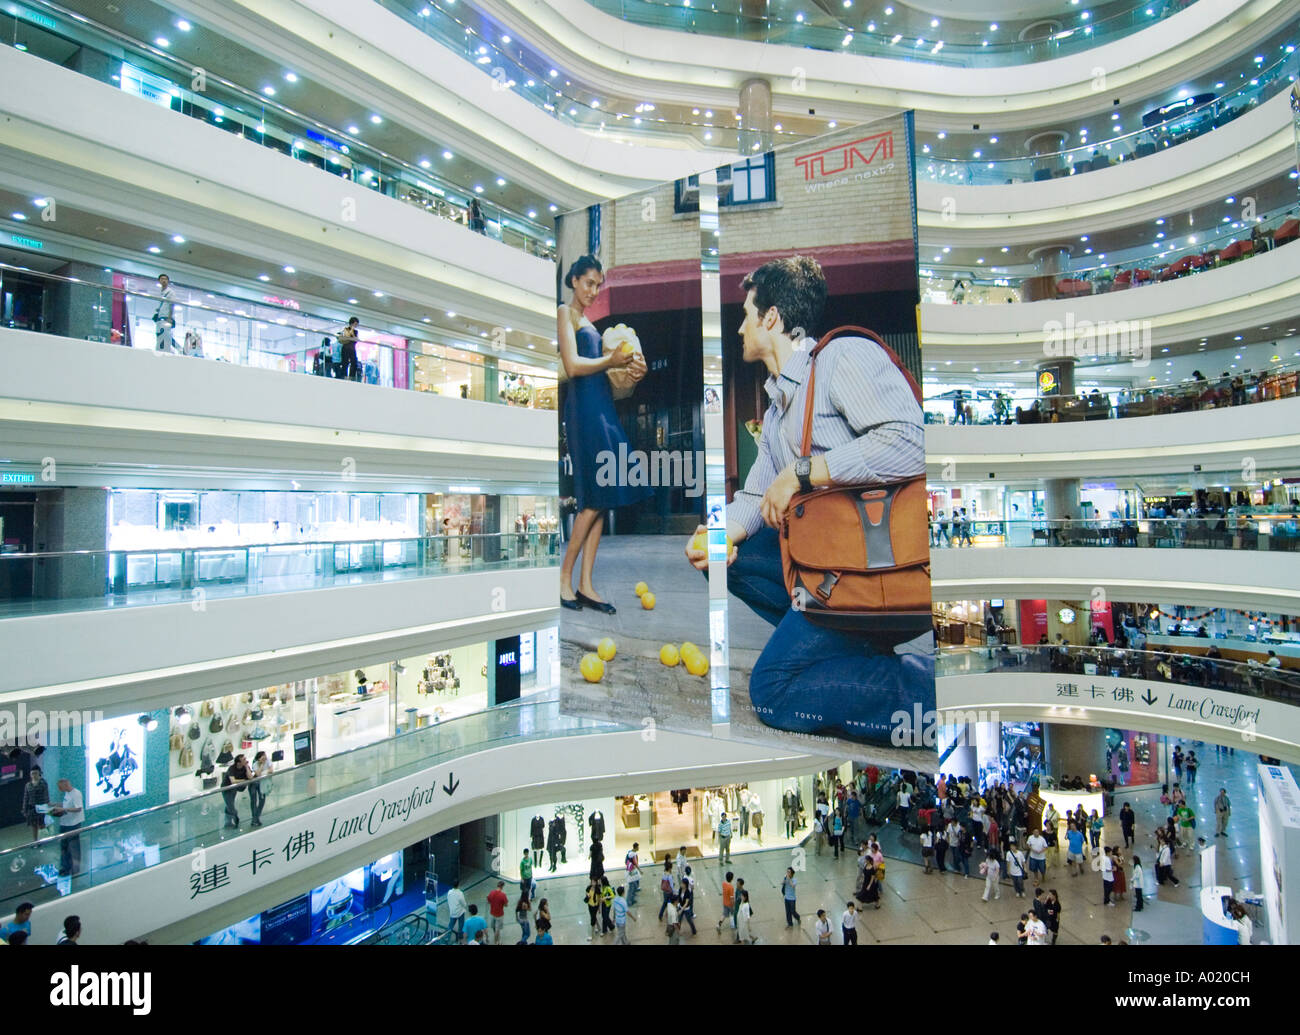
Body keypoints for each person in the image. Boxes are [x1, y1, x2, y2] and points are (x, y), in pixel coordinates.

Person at [683, 255, 930, 745]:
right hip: (831, 575)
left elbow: (912, 441)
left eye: (746, 314)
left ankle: (926, 696)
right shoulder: (777, 411)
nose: (740, 328)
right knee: (727, 560)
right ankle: (849, 651)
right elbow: (755, 495)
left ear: (770, 318)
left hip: (875, 573)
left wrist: (803, 472)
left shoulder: (843, 358)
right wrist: (713, 534)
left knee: (773, 691)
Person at [557, 255, 647, 615]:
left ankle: (586, 584)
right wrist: (611, 361)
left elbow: (605, 374)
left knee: (605, 493)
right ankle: (564, 578)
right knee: (593, 496)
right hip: (583, 410)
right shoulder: (566, 313)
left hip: (602, 407)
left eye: (598, 285)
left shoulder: (590, 323)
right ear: (575, 280)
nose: (594, 291)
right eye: (589, 283)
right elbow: (573, 365)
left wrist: (629, 367)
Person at [50, 777, 84, 876]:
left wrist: (63, 810)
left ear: (66, 785)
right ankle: (65, 867)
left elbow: (78, 808)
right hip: (65, 823)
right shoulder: (67, 793)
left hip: (73, 825)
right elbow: (66, 804)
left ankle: (75, 868)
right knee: (64, 847)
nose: (59, 789)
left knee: (73, 847)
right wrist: (55, 805)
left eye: (60, 787)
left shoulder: (76, 793)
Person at [21, 766, 49, 842]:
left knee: (42, 825)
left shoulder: (43, 783)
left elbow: (46, 796)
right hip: (32, 808)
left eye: (35, 773)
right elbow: (26, 798)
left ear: (39, 773)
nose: (34, 775)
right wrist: (24, 809)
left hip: (41, 807)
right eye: (32, 773)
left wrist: (47, 807)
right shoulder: (28, 785)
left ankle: (44, 840)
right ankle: (35, 841)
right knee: (34, 826)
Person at [153, 273, 177, 352]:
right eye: (162, 279)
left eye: (165, 279)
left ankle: (176, 349)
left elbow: (172, 305)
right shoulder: (161, 292)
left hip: (166, 318)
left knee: (166, 335)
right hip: (160, 317)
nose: (164, 281)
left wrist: (169, 318)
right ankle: (160, 349)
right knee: (160, 334)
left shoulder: (170, 292)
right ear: (159, 281)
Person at [248, 750, 272, 827]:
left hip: (263, 784)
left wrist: (263, 772)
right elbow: (257, 774)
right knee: (254, 801)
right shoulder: (255, 764)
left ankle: (256, 817)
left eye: (265, 755)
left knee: (262, 800)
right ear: (258, 758)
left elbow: (271, 770)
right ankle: (255, 819)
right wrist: (262, 766)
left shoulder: (268, 761)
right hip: (254, 784)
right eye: (263, 756)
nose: (265, 757)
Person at [336, 316, 361, 381]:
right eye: (355, 324)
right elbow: (342, 339)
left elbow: (356, 339)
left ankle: (350, 377)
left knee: (353, 363)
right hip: (346, 348)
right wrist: (351, 338)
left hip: (351, 348)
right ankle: (345, 376)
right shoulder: (346, 330)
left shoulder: (355, 331)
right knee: (345, 363)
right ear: (352, 323)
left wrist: (351, 339)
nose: (356, 325)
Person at [718, 871, 736, 935]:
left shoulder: (723, 884)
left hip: (724, 902)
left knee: (724, 914)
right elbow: (732, 898)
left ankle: (719, 924)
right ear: (732, 878)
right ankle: (732, 925)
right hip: (729, 904)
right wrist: (733, 905)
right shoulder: (731, 887)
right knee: (732, 914)